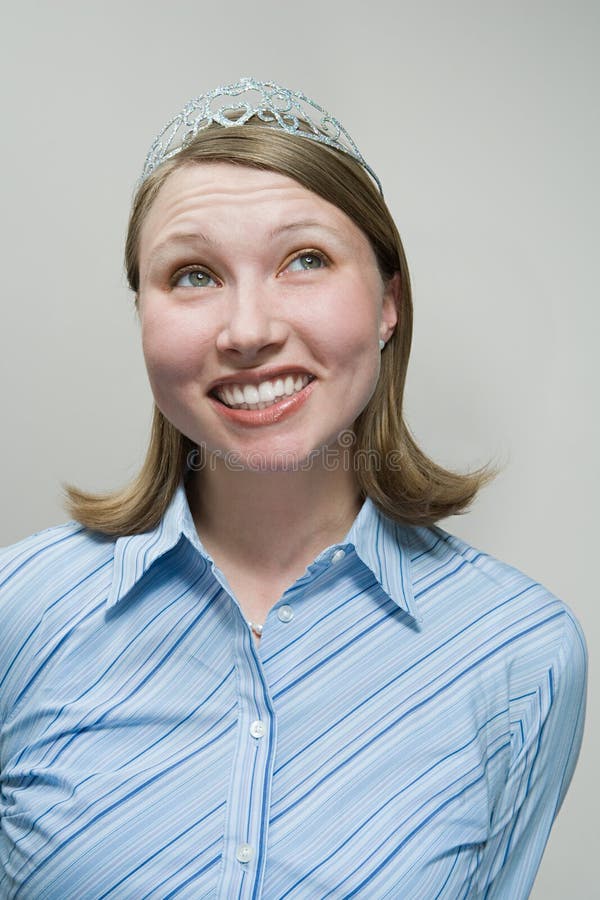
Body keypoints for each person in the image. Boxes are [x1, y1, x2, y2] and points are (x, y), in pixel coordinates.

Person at [0, 77, 586, 898]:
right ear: (143, 315)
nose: (248, 331)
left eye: (304, 260)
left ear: (389, 302)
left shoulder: (522, 656)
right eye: (193, 275)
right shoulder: (18, 612)